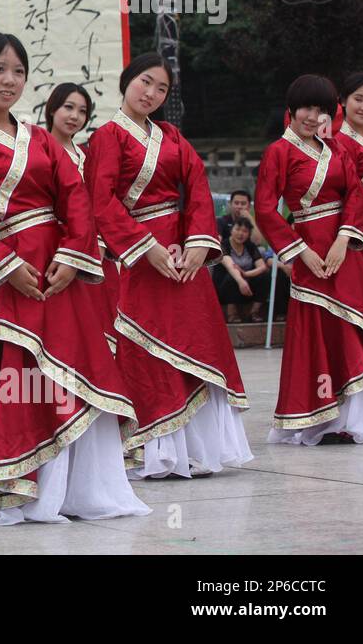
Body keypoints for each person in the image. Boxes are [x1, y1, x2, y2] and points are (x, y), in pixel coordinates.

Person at [0, 34, 147, 524]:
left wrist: (75, 253)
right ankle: (28, 492)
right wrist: (7, 265)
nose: (9, 80)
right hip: (16, 270)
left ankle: (88, 493)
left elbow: (76, 196)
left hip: (61, 272)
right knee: (21, 374)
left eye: (18, 71)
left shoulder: (39, 140)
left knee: (79, 371)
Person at [86, 53, 253, 480]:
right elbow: (100, 201)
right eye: (145, 82)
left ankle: (198, 450)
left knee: (194, 342)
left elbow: (197, 186)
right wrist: (146, 248)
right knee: (148, 346)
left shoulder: (173, 136)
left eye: (161, 89)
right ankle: (156, 449)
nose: (152, 93)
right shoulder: (106, 137)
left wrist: (199, 244)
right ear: (126, 82)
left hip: (184, 256)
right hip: (143, 260)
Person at [257, 74, 363, 445]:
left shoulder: (334, 150)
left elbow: (355, 195)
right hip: (311, 256)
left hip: (345, 251)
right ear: (291, 109)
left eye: (321, 110)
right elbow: (265, 209)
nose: (313, 116)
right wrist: (300, 252)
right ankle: (323, 418)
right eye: (307, 107)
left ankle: (359, 419)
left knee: (358, 331)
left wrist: (344, 240)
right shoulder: (279, 151)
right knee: (323, 332)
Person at [44, 81, 123, 346]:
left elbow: (100, 205)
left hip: (93, 252)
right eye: (68, 107)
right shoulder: (35, 151)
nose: (74, 116)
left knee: (98, 330)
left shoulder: (89, 158)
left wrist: (98, 244)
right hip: (49, 248)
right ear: (52, 108)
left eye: (82, 111)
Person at [333, 71, 363, 281]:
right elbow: (353, 192)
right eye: (358, 99)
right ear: (343, 100)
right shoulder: (338, 142)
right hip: (358, 229)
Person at [211, 217, 273, 323]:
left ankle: (254, 312)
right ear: (231, 230)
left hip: (246, 287)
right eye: (238, 229)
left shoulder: (250, 246)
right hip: (226, 287)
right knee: (231, 277)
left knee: (265, 276)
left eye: (245, 231)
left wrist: (246, 274)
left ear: (249, 234)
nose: (240, 234)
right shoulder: (223, 246)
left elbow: (262, 266)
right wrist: (241, 280)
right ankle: (231, 314)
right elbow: (231, 266)